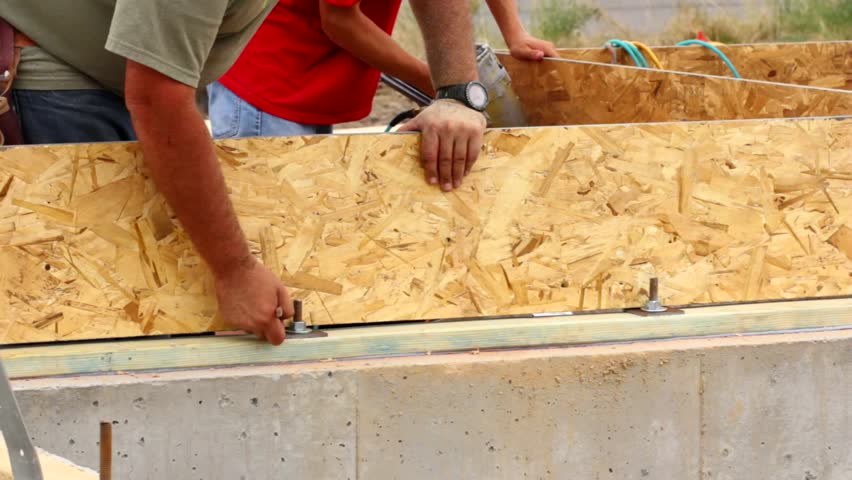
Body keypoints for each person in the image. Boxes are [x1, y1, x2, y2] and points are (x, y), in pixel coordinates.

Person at [0, 0, 487, 345]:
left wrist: (458, 93)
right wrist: (235, 271)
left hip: (122, 68)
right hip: (55, 68)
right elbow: (157, 98)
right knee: (90, 313)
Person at [209, 0, 557, 191]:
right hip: (267, 77)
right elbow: (339, 20)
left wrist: (515, 32)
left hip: (311, 80)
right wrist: (441, 89)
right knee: (270, 230)